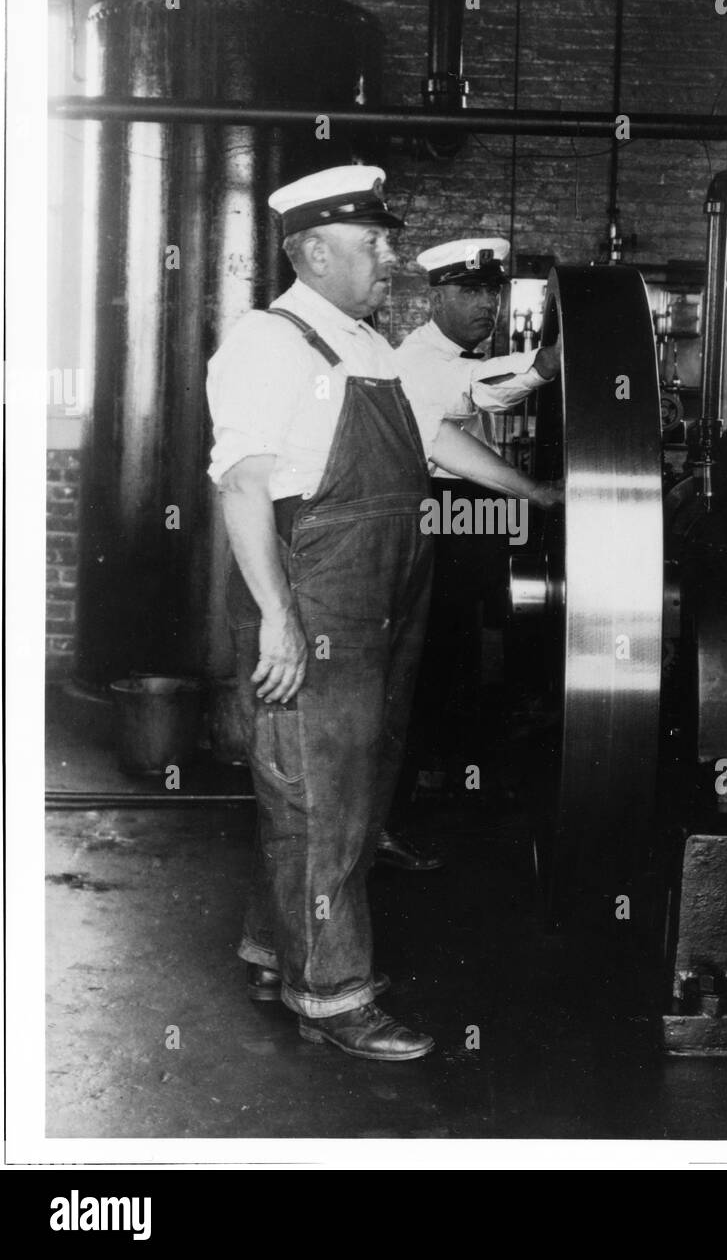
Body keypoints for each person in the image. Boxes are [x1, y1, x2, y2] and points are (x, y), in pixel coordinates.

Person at [206, 167, 558, 1062]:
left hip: (387, 589)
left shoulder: (365, 344)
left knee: (347, 786)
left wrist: (535, 494)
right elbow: (243, 485)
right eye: (373, 244)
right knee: (319, 791)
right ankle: (331, 995)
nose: (390, 259)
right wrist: (277, 616)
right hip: (321, 589)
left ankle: (274, 952)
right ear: (315, 253)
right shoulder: (268, 342)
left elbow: (432, 436)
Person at [394, 239, 560, 788]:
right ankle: (429, 778)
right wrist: (544, 365)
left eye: (492, 291)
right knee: (440, 648)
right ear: (435, 299)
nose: (487, 303)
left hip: (468, 508)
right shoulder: (418, 360)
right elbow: (477, 393)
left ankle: (460, 767)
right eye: (470, 291)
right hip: (440, 513)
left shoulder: (458, 356)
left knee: (464, 643)